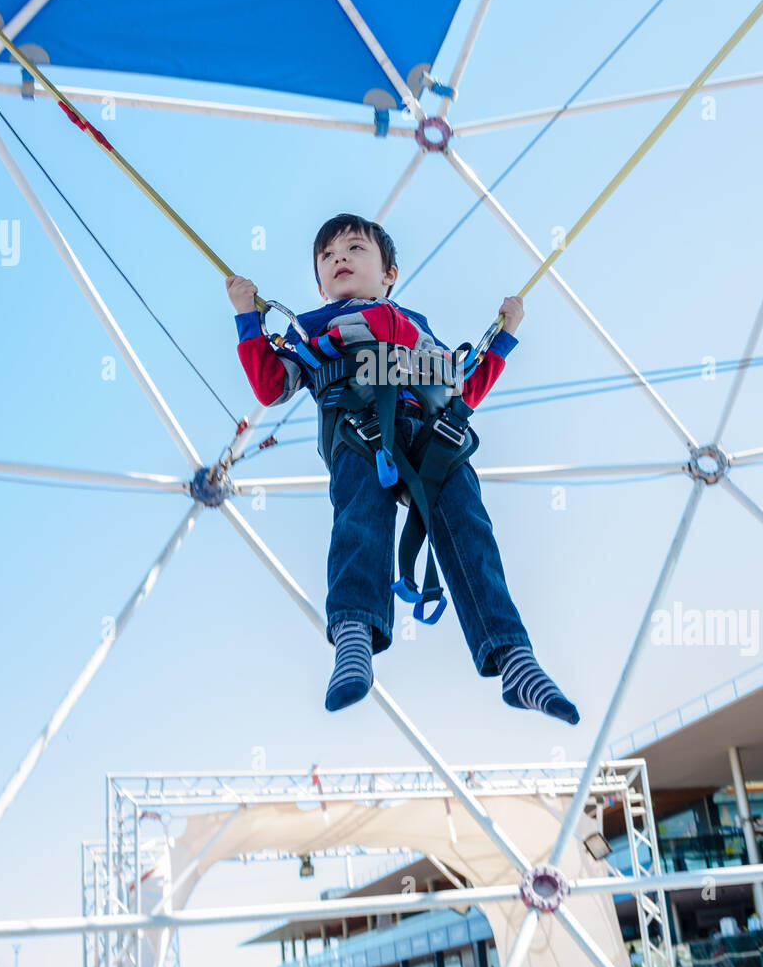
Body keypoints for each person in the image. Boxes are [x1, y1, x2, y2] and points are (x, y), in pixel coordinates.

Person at [227, 213, 578, 723]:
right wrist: (246, 316)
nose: (339, 259)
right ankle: (354, 636)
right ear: (320, 283)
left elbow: (463, 390)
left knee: (470, 530)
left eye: (353, 249)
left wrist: (504, 336)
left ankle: (514, 658)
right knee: (359, 520)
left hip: (435, 438)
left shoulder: (420, 330)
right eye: (327, 257)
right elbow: (270, 385)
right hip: (362, 431)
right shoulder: (314, 327)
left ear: (389, 273)